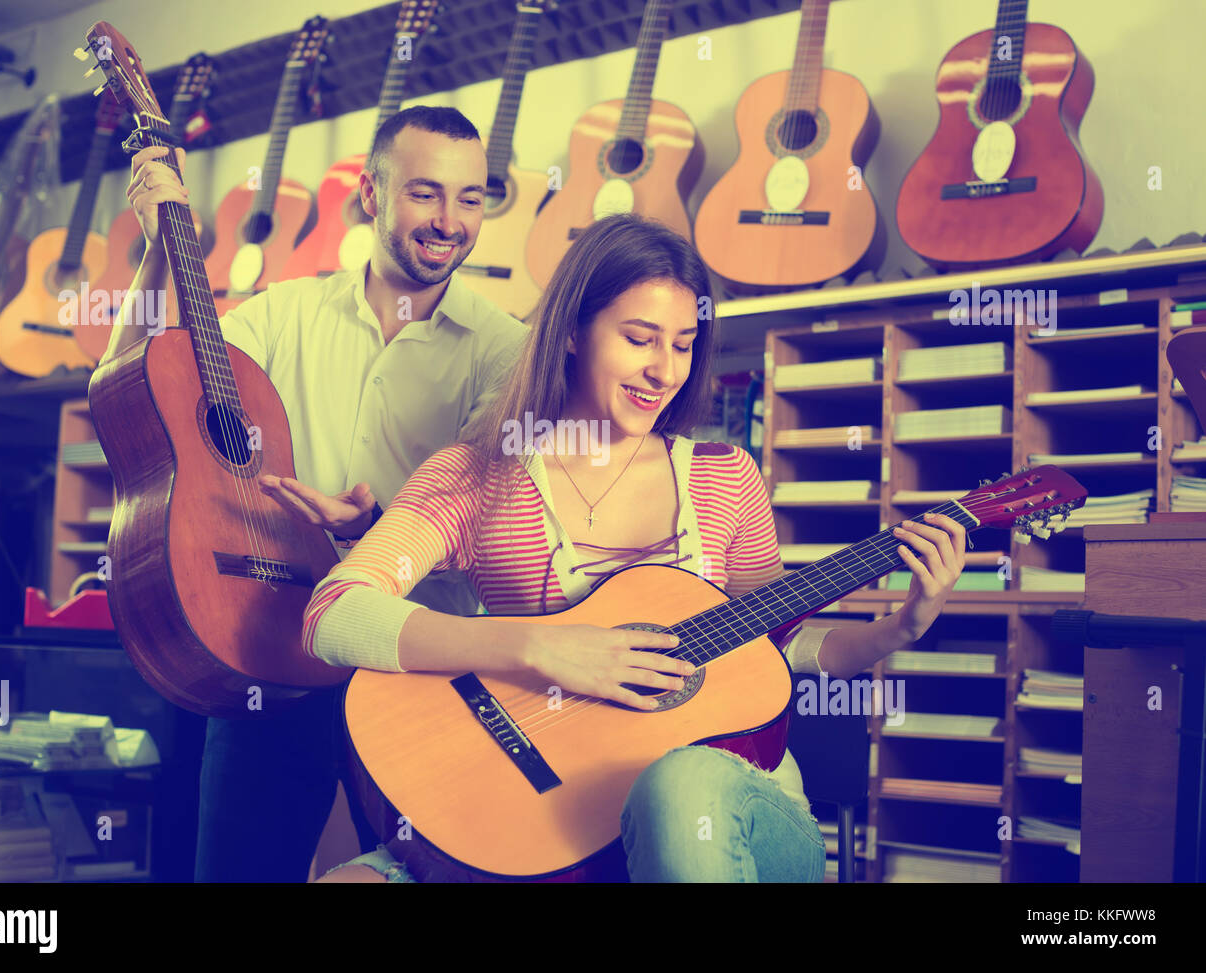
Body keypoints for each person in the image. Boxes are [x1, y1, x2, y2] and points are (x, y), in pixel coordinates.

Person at [305, 213, 968, 883]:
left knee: (678, 786)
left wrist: (900, 626)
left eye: (683, 345)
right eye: (639, 338)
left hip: (734, 814)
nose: (665, 370)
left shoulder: (726, 476)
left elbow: (781, 645)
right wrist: (537, 647)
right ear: (570, 332)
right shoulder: (476, 477)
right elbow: (334, 615)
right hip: (549, 809)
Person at [102, 106, 529, 882]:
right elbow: (131, 381)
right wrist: (161, 252)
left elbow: (489, 525)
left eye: (470, 199)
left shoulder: (508, 352)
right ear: (371, 193)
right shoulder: (284, 311)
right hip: (274, 647)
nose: (450, 221)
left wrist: (378, 527)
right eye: (425, 194)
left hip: (417, 671)